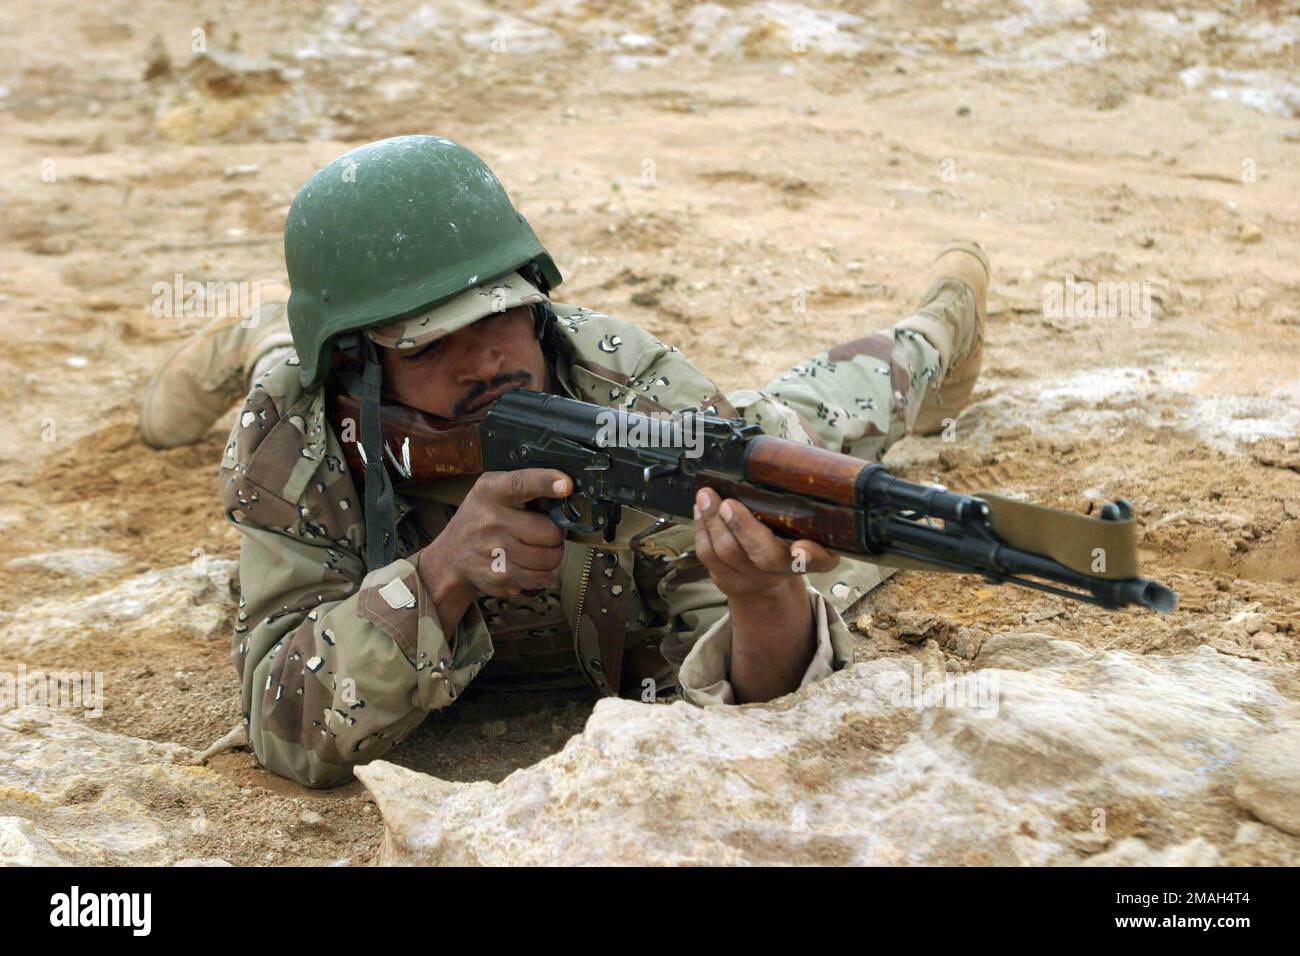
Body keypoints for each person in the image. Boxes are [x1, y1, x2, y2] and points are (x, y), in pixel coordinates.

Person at [139, 135, 989, 788]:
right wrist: (439, 576)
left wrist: (764, 600)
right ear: (359, 367)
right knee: (275, 361)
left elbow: (766, 715)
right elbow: (284, 727)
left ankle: (939, 332)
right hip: (313, 359)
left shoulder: (642, 402)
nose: (483, 364)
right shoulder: (303, 428)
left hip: (693, 426)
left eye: (500, 318)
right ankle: (259, 330)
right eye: (430, 345)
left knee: (805, 425)